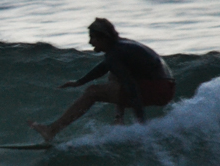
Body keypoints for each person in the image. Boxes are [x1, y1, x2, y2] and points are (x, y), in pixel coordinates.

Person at [28, 18, 174, 143]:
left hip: (157, 88)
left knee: (93, 92)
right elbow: (105, 66)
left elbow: (131, 86)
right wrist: (80, 81)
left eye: (93, 38)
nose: (90, 42)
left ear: (104, 38)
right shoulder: (121, 46)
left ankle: (52, 130)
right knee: (113, 75)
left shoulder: (114, 54)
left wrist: (142, 125)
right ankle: (119, 121)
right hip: (165, 85)